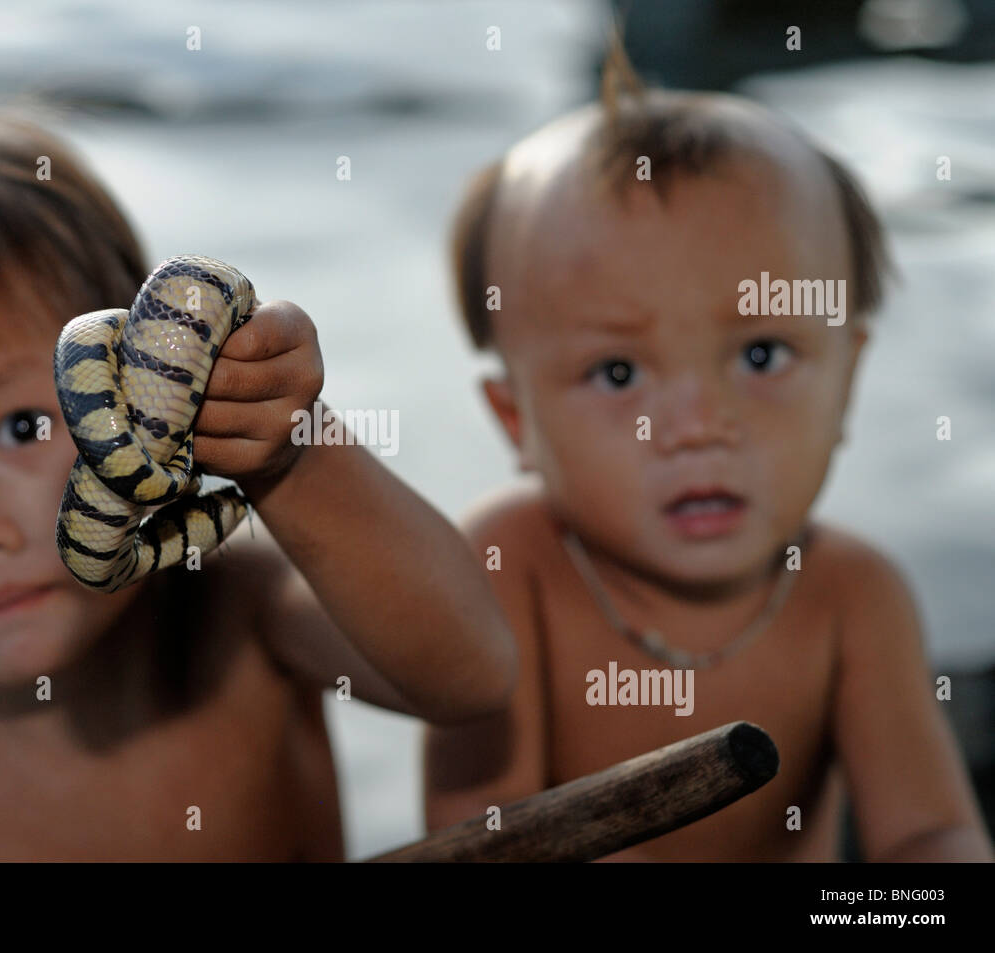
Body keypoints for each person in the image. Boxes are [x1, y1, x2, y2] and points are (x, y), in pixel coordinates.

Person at [0, 120, 516, 861]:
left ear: (144, 397)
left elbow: (471, 675)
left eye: (21, 428)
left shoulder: (242, 617)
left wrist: (290, 454)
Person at [424, 51, 993, 861]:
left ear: (848, 379)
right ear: (516, 419)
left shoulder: (851, 596)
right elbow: (479, 838)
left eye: (761, 356)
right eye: (617, 372)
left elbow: (929, 835)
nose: (697, 427)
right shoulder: (507, 570)